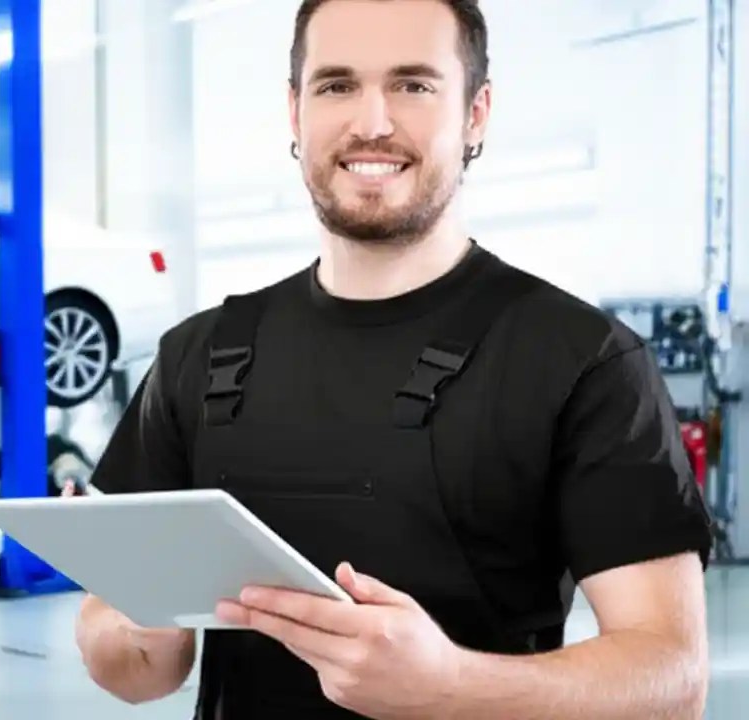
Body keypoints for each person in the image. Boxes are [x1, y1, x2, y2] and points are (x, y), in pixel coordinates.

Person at [70, 0, 715, 718]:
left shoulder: (582, 360)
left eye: (413, 85)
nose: (371, 122)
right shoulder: (199, 354)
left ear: (476, 113)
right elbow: (137, 670)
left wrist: (449, 686)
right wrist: (132, 627)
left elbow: (672, 681)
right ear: (295, 111)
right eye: (336, 85)